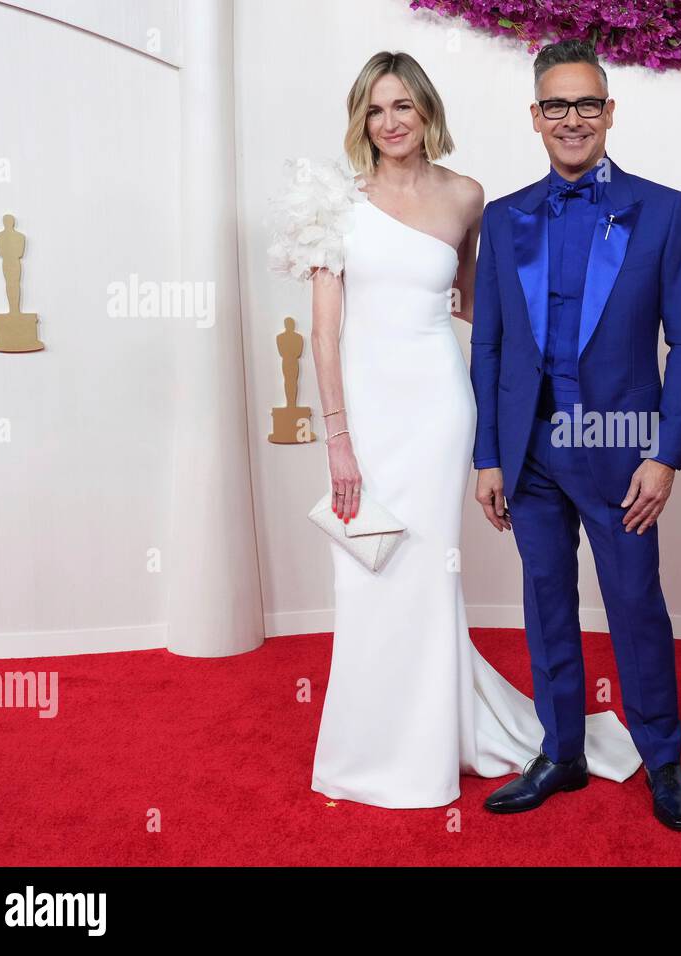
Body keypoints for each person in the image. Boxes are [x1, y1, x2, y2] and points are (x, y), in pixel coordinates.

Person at [268, 51, 641, 810]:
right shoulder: (335, 202)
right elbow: (325, 335)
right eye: (375, 109)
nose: (390, 122)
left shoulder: (469, 197)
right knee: (367, 570)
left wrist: (570, 346)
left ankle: (430, 743)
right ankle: (373, 747)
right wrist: (337, 436)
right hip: (367, 415)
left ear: (427, 112)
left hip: (440, 405)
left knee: (430, 574)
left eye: (403, 106)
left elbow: (478, 304)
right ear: (360, 120)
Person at [470, 40, 681, 830]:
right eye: (555, 105)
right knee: (545, 602)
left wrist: (666, 453)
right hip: (529, 452)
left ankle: (662, 756)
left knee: (635, 602)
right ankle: (562, 750)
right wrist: (490, 455)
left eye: (585, 104)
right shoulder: (503, 219)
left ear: (609, 113)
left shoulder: (664, 209)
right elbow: (491, 345)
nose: (570, 119)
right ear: (534, 118)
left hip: (621, 448)